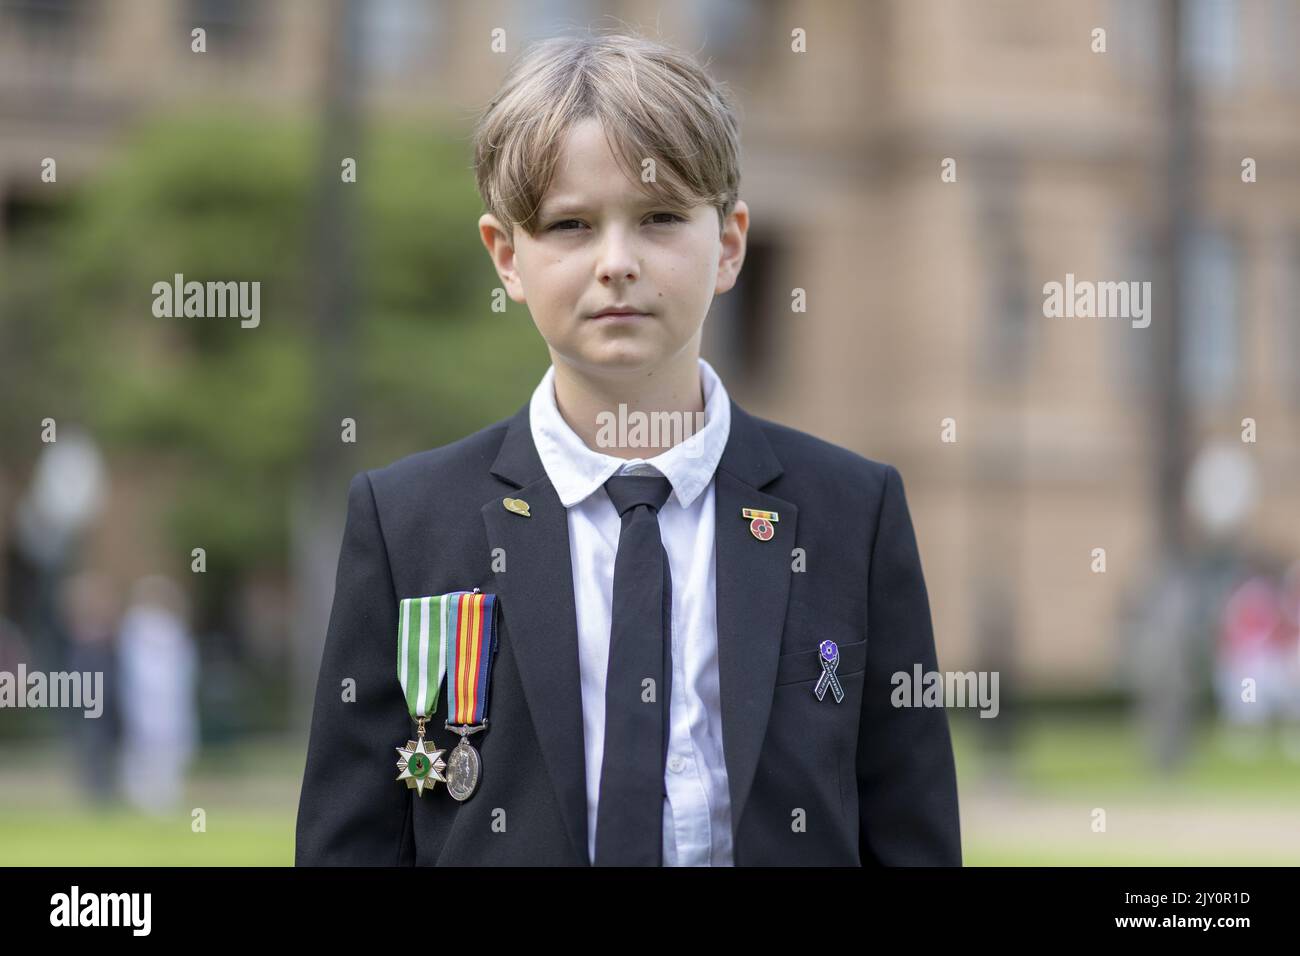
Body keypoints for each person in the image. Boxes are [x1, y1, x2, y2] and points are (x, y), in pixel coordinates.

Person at [296, 30, 960, 866]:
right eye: (570, 225)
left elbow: (912, 828)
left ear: (729, 243)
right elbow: (349, 843)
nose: (617, 263)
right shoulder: (406, 523)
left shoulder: (851, 515)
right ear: (506, 256)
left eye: (660, 219)